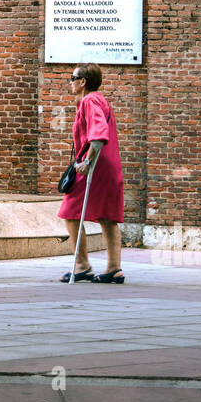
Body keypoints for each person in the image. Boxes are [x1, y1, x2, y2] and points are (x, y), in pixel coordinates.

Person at [58, 63, 125, 283]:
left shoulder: (89, 100)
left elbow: (98, 134)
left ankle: (82, 265)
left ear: (83, 81)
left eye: (72, 77)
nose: (70, 82)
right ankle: (114, 269)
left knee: (69, 211)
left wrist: (87, 161)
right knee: (107, 217)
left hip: (94, 167)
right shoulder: (100, 100)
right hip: (109, 165)